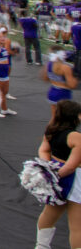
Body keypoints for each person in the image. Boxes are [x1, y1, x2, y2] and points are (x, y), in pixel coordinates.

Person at [34, 100, 81, 249]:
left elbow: (44, 150)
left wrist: (48, 171)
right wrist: (55, 175)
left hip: (56, 177)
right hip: (75, 181)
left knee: (49, 214)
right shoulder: (75, 137)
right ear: (75, 116)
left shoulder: (51, 129)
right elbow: (72, 166)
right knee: (77, 225)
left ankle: (41, 246)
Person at [44, 46, 78, 117]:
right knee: (68, 119)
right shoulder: (65, 67)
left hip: (52, 91)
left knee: (54, 118)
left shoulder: (49, 64)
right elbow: (72, 85)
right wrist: (75, 78)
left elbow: (45, 78)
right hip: (63, 94)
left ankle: (51, 128)